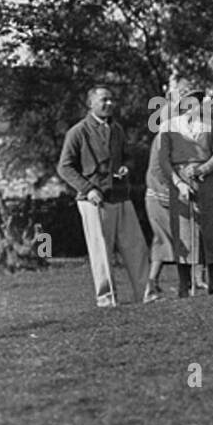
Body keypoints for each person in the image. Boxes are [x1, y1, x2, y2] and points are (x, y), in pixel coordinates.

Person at [57, 84, 149, 307]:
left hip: (120, 195)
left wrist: (126, 167)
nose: (109, 104)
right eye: (104, 100)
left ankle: (146, 293)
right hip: (94, 200)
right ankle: (107, 299)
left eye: (111, 100)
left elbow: (127, 157)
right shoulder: (78, 132)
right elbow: (65, 167)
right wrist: (88, 189)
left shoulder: (116, 129)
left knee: (136, 247)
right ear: (91, 104)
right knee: (101, 251)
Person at [147, 83, 213, 298]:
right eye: (190, 101)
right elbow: (163, 160)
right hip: (180, 181)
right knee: (182, 232)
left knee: (211, 230)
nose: (195, 105)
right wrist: (179, 182)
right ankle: (184, 285)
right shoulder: (169, 127)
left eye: (199, 101)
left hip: (207, 180)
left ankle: (212, 282)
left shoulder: (211, 125)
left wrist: (203, 168)